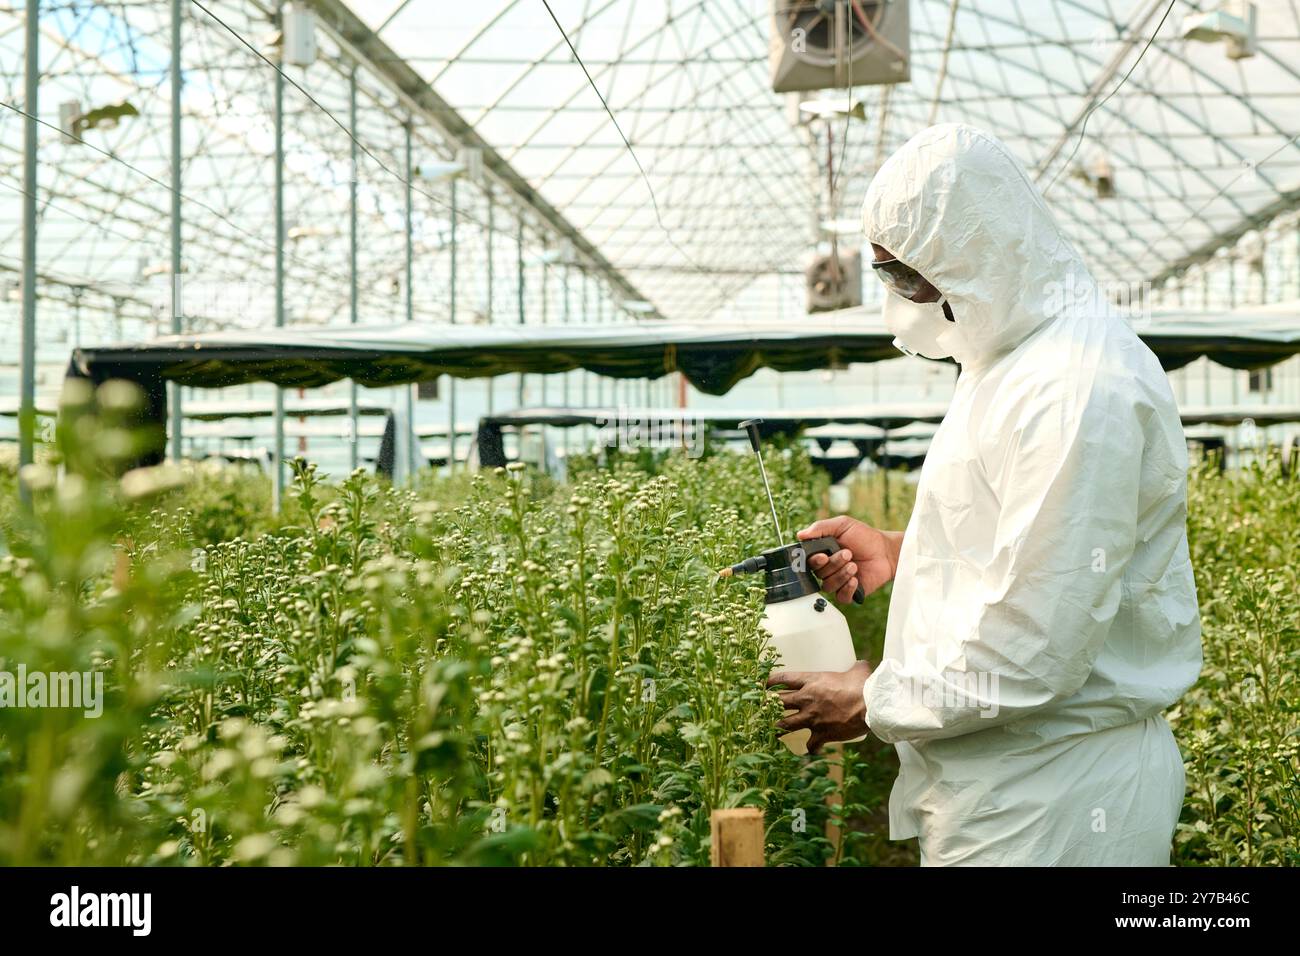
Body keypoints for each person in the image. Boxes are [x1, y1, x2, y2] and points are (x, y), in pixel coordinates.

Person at [768, 124, 1202, 866]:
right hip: (1008, 788)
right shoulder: (1012, 362)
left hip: (1057, 805)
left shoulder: (1073, 390)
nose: (904, 298)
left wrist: (871, 700)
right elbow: (1030, 543)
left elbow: (1033, 649)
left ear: (975, 253)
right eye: (891, 276)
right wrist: (906, 551)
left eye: (909, 275)